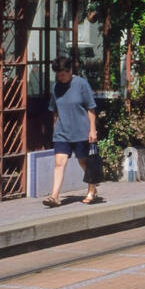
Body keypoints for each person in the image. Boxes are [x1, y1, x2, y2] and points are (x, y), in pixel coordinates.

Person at [43, 57, 98, 207]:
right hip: (62, 132)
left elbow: (91, 108)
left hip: (81, 131)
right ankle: (54, 196)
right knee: (59, 162)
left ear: (70, 71)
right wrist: (55, 127)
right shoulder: (56, 87)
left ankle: (92, 188)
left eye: (63, 75)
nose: (60, 78)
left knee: (83, 161)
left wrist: (92, 129)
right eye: (58, 75)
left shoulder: (81, 84)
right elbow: (54, 109)